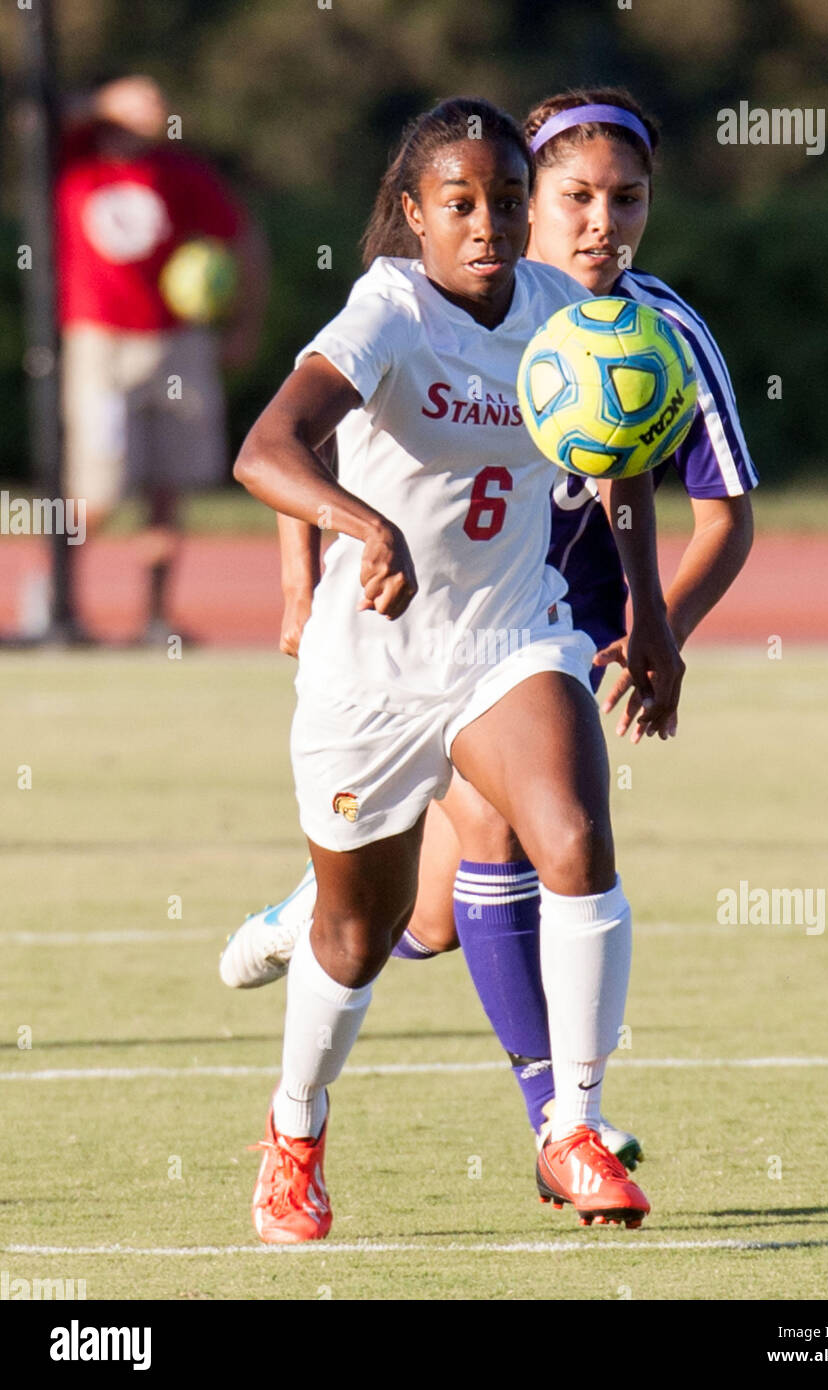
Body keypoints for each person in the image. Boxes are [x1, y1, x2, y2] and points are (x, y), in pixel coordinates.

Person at [221, 87, 757, 1175]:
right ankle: (295, 1124)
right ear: (414, 211)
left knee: (565, 835)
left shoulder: (574, 312)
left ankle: (571, 1126)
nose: (490, 223)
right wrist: (350, 534)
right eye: (463, 202)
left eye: (506, 201)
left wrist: (655, 616)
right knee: (370, 933)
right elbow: (269, 450)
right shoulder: (387, 310)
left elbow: (617, 460)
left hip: (513, 635)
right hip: (371, 662)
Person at [56, 74, 268, 643]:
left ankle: (153, 618)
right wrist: (103, 102)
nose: (154, 109)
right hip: (99, 344)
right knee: (94, 492)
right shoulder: (75, 158)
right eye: (140, 100)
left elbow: (244, 240)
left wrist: (244, 322)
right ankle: (58, 607)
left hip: (176, 344)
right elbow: (31, 119)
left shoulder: (183, 171)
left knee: (167, 488)